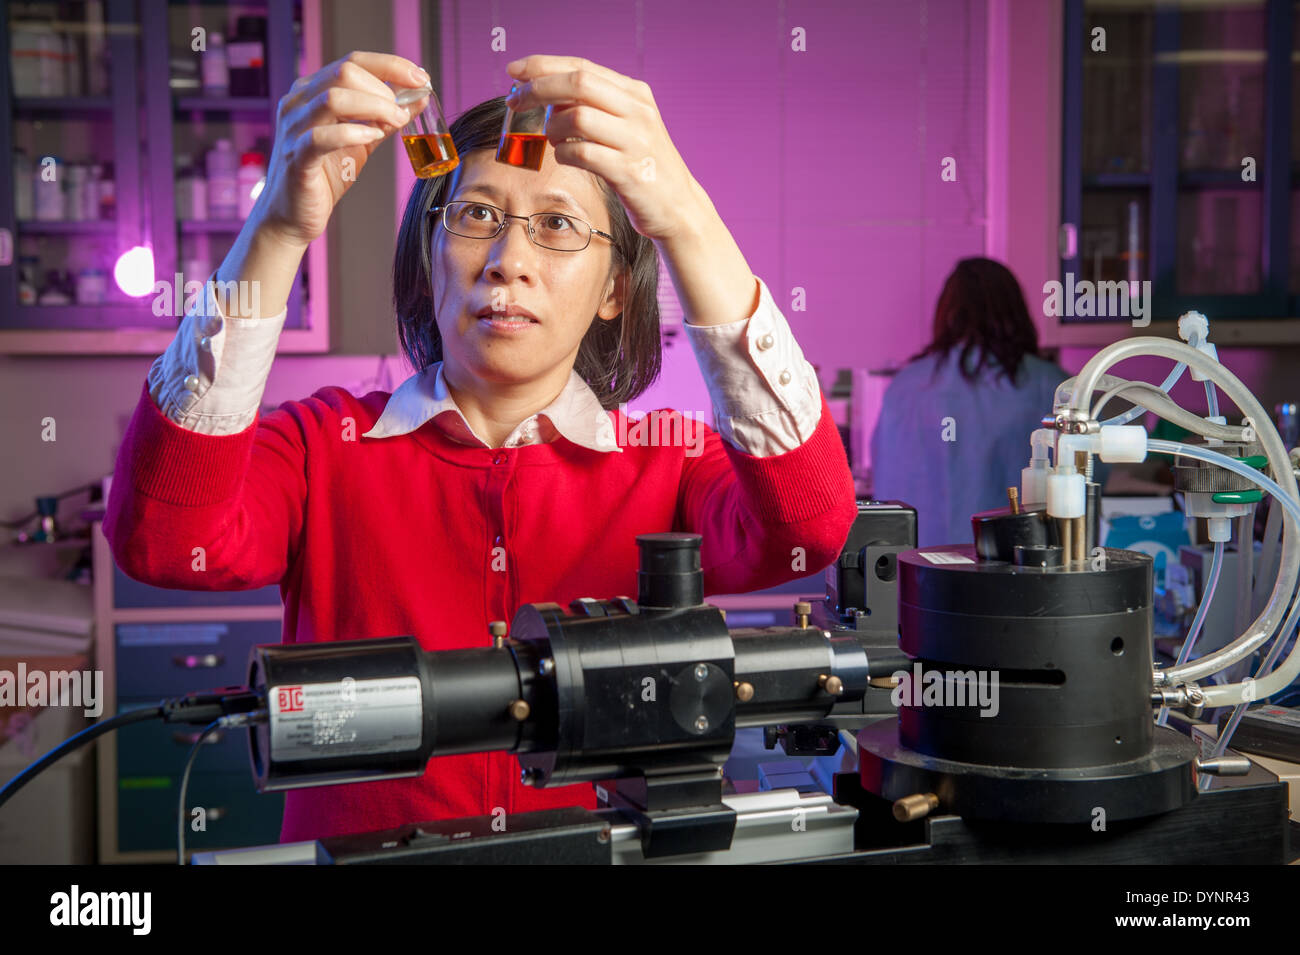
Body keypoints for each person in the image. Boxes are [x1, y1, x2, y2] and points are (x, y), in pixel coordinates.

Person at [103, 52, 857, 842]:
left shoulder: (670, 461)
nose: (508, 261)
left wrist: (686, 216)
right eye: (475, 217)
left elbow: (807, 529)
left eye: (558, 224)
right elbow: (164, 540)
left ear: (612, 290)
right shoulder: (323, 444)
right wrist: (277, 226)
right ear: (430, 260)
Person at [870, 257, 1069, 548]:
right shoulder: (1050, 386)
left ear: (946, 313)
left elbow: (884, 478)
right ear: (1016, 312)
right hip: (1016, 570)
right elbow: (1086, 480)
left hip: (919, 570)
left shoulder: (905, 385)